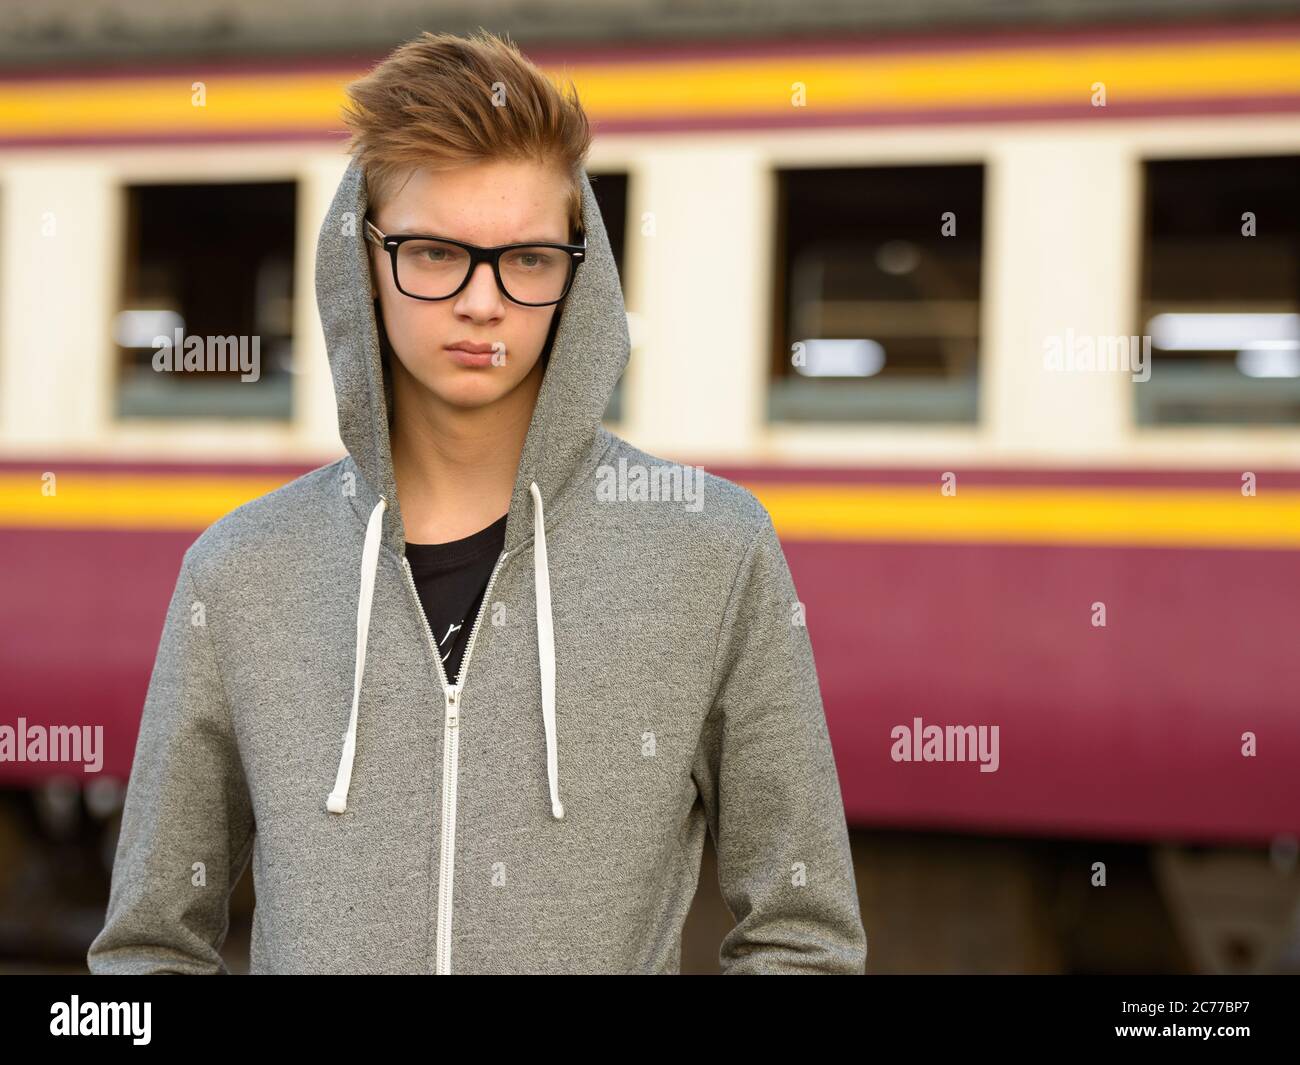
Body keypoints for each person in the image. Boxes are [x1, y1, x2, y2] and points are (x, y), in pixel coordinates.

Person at [87, 29, 866, 974]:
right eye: (433, 253)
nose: (482, 302)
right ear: (363, 260)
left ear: (581, 270)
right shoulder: (240, 572)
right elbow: (148, 948)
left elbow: (803, 932)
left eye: (527, 259)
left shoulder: (714, 552)